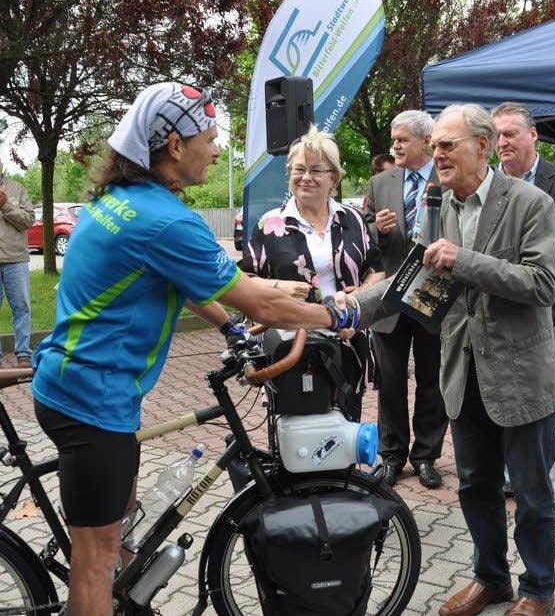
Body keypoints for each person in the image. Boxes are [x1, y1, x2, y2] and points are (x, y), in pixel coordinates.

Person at [30, 82, 357, 616]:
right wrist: (338, 313)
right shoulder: (166, 220)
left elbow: (188, 283)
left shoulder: (121, 201)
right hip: (93, 400)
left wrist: (229, 327)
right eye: (208, 137)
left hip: (75, 384)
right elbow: (263, 306)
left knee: (120, 525)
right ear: (175, 146)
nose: (217, 149)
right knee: (95, 563)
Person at [348, 104, 555, 616]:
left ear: (483, 147)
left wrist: (462, 260)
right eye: (435, 145)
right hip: (462, 373)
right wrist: (345, 309)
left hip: (518, 374)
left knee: (531, 492)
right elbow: (411, 280)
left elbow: (544, 284)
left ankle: (538, 589)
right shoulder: (438, 204)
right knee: (474, 486)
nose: (437, 154)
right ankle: (491, 578)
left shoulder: (530, 202)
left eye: (448, 144)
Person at [243, 124, 384, 421]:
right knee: (298, 426)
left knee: (347, 422)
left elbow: (376, 269)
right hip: (292, 344)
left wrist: (362, 296)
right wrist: (278, 285)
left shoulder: (352, 219)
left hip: (348, 339)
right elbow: (243, 281)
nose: (306, 177)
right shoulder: (270, 224)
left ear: (333, 177)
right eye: (299, 169)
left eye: (316, 170)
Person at [492, 101, 555, 495]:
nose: (503, 143)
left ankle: (544, 476)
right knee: (501, 390)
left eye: (510, 134)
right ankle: (504, 474)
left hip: (544, 311)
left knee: (543, 393)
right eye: (498, 136)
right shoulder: (486, 183)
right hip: (496, 311)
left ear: (533, 135)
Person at [362, 110, 446, 489]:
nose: (394, 145)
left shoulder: (447, 178)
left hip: (432, 295)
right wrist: (377, 231)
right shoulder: (380, 181)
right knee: (391, 381)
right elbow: (363, 236)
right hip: (390, 297)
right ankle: (392, 456)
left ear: (425, 142)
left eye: (402, 140)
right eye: (393, 140)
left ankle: (427, 456)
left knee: (433, 381)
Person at [0, 160, 35, 367]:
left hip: (16, 259)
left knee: (21, 307)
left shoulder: (17, 189)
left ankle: (23, 354)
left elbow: (28, 221)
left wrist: (5, 205)